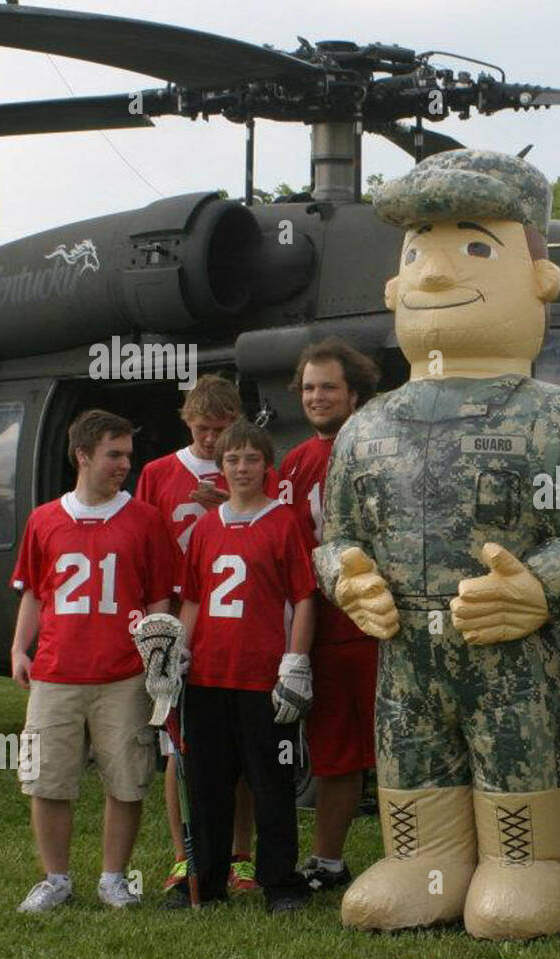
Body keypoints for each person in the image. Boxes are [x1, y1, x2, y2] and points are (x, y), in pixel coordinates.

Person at [315, 149, 560, 940]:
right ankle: (426, 862)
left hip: (511, 651)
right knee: (413, 756)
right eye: (416, 250)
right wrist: (346, 577)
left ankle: (534, 860)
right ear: (393, 285)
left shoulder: (553, 414)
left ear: (538, 278)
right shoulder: (367, 425)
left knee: (516, 752)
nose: (433, 273)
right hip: (407, 652)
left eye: (475, 247)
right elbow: (336, 533)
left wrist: (539, 588)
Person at [10, 409, 177, 912]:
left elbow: (157, 599)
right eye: (114, 454)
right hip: (57, 669)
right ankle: (56, 878)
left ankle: (113, 877)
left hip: (122, 672)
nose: (125, 464)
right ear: (83, 455)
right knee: (48, 778)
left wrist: (159, 653)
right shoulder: (44, 519)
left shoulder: (145, 519)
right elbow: (37, 593)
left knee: (127, 778)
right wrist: (20, 647)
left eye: (128, 454)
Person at [135, 374, 277, 896]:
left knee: (239, 750)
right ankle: (184, 856)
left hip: (236, 624)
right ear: (186, 422)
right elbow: (145, 544)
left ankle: (240, 856)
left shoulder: (247, 468)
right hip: (180, 619)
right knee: (179, 746)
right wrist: (156, 628)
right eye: (203, 429)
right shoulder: (157, 473)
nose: (214, 441)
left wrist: (227, 497)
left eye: (222, 428)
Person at [169, 420, 316, 914]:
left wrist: (296, 661)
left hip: (263, 678)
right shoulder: (207, 527)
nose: (242, 468)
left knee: (271, 785)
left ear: (266, 465)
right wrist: (180, 653)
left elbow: (304, 598)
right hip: (208, 676)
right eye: (233, 459)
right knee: (207, 785)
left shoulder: (284, 521)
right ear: (221, 467)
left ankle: (281, 883)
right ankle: (205, 879)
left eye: (252, 459)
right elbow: (192, 599)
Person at [278, 338, 381, 891]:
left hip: (380, 626)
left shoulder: (379, 448)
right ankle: (329, 863)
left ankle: (416, 861)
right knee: (335, 756)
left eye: (329, 387)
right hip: (320, 629)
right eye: (310, 387)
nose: (317, 397)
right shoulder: (293, 462)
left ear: (355, 392)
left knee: (398, 753)